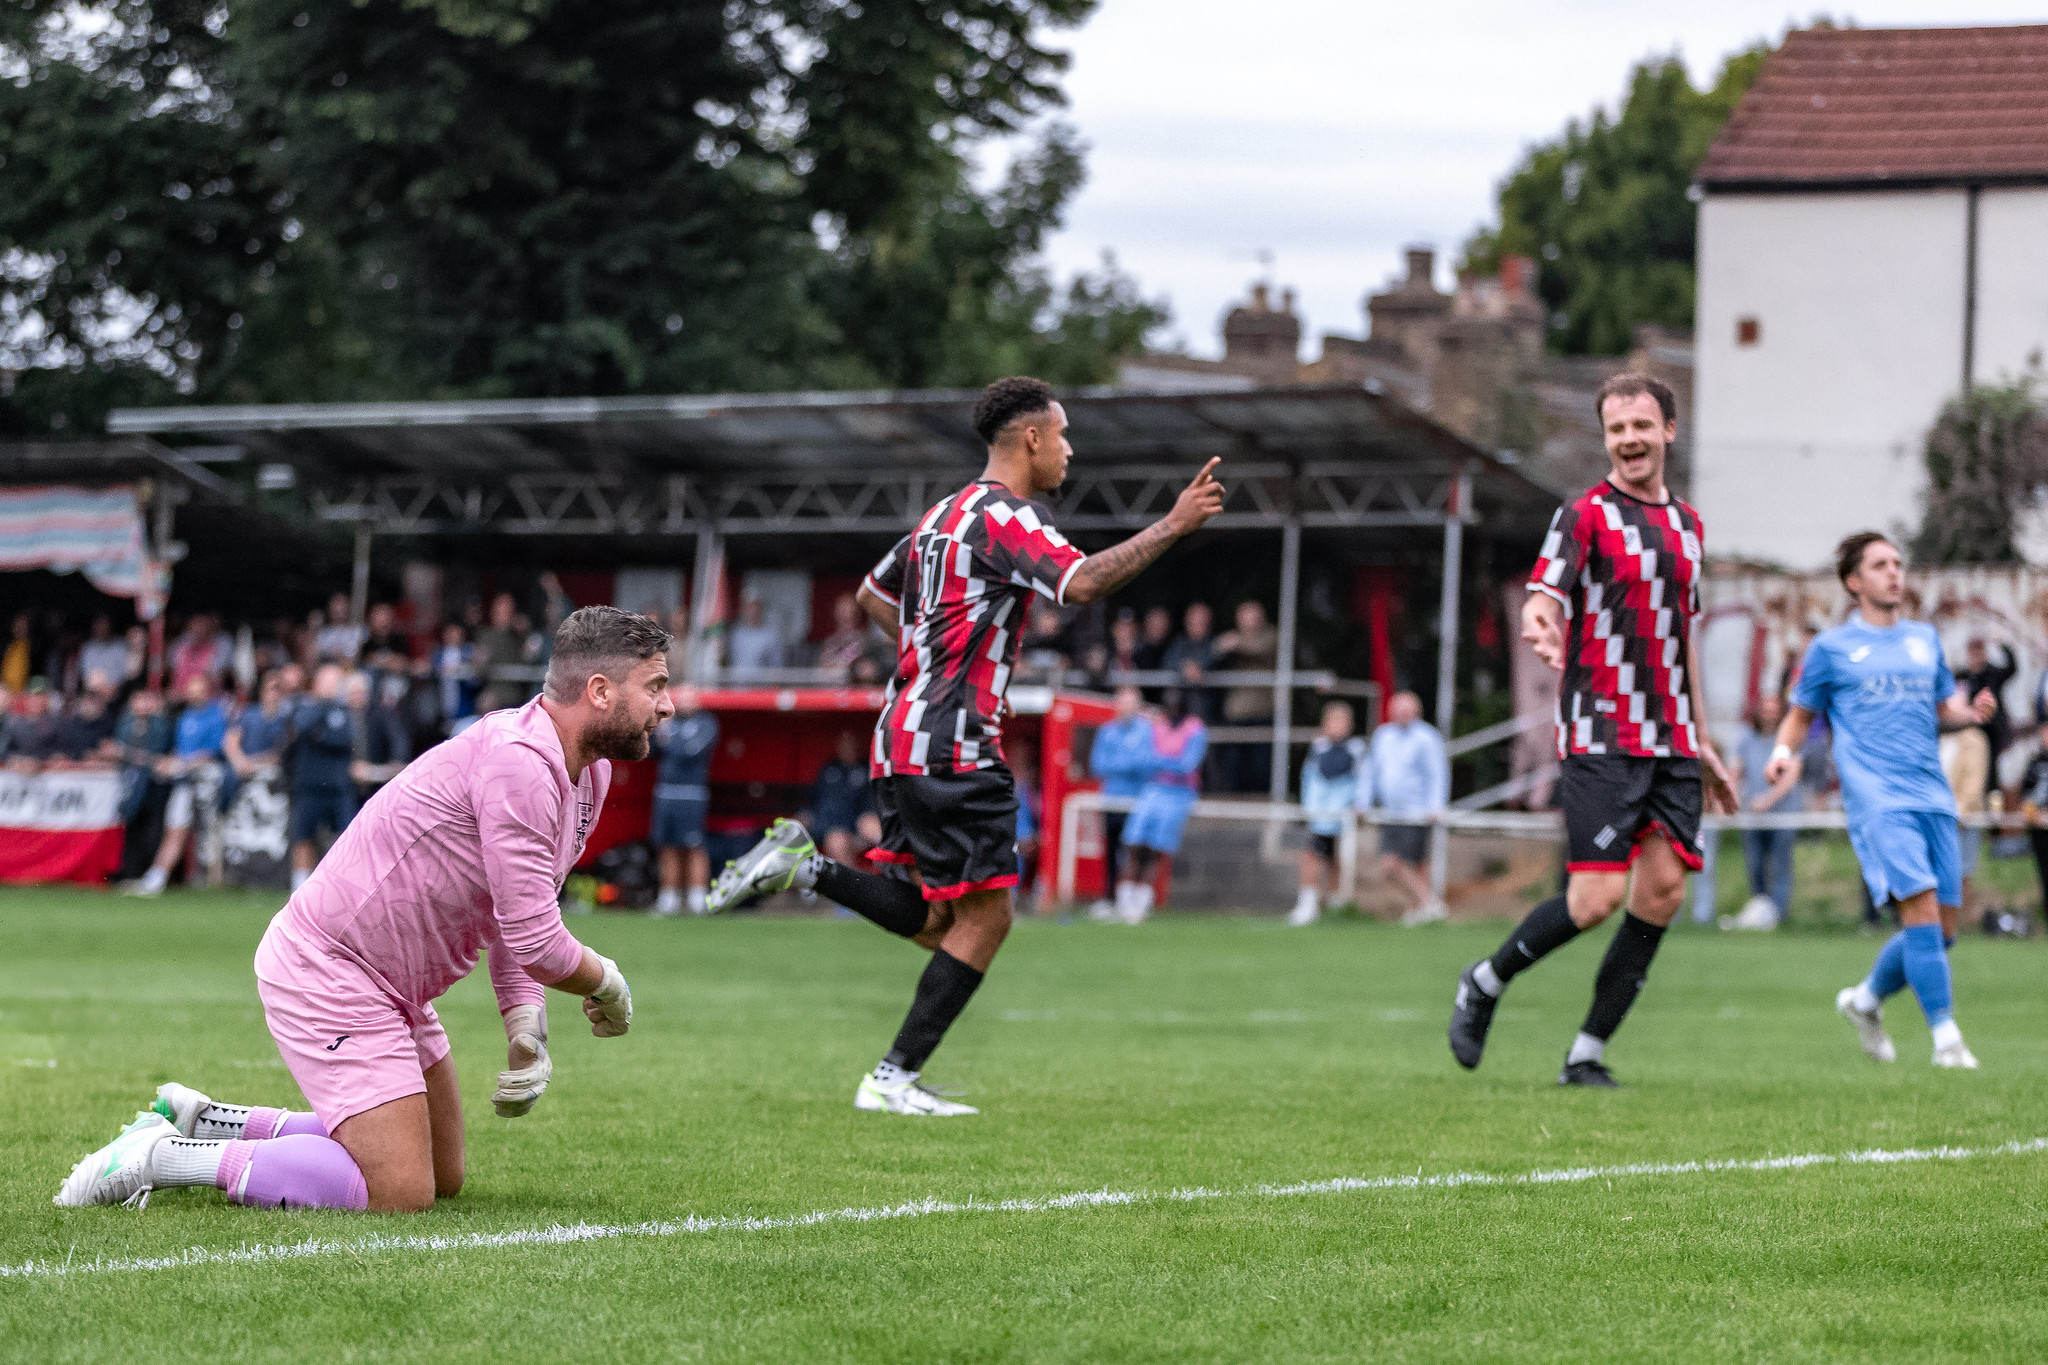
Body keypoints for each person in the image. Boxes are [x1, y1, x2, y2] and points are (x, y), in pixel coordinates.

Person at [705, 376, 1224, 1114]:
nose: (1070, 449)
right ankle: (890, 1077)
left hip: (902, 733)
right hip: (954, 744)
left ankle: (806, 866)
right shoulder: (1010, 517)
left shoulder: (940, 516)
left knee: (947, 918)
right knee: (989, 918)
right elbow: (1079, 583)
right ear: (1032, 439)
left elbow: (871, 598)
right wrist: (1173, 524)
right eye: (1064, 435)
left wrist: (934, 661)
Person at [54, 607, 660, 1212]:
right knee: (399, 1189)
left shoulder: (587, 771)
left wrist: (525, 1026)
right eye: (654, 686)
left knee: (440, 1173)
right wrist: (608, 983)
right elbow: (536, 940)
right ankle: (159, 1158)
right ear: (600, 692)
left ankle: (212, 1121)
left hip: (392, 986)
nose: (668, 705)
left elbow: (521, 909)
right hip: (333, 968)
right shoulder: (522, 762)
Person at [1447, 372, 1735, 1088]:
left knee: (1662, 892)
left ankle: (1586, 1052)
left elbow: (1684, 636)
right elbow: (1546, 592)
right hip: (1603, 729)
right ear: (1607, 438)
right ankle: (1483, 979)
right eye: (1617, 429)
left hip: (1671, 738)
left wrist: (1703, 740)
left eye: (1642, 426)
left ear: (1669, 430)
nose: (1630, 440)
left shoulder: (1689, 526)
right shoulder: (1585, 515)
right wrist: (1540, 619)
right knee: (1595, 899)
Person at [1768, 532, 1995, 1070]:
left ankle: (1865, 1000)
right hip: (1877, 797)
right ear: (1854, 582)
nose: (1895, 573)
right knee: (1916, 904)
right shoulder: (1830, 649)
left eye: (1897, 563)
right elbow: (1800, 714)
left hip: (1931, 794)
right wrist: (1782, 752)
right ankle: (1947, 1040)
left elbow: (1942, 708)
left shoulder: (1924, 639)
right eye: (1880, 565)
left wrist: (1970, 714)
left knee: (1941, 931)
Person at [123, 675, 232, 896]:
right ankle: (157, 879)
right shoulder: (186, 717)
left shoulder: (216, 716)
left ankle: (215, 882)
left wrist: (182, 764)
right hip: (184, 780)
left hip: (208, 780)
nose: (193, 695)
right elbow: (180, 750)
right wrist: (172, 763)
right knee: (175, 828)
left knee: (211, 832)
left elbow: (212, 753)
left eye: (198, 690)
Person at [1117, 688, 1208, 925]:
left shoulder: (1195, 729)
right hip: (1153, 789)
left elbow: (1188, 765)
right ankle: (1126, 897)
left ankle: (1143, 900)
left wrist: (1161, 761)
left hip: (1179, 793)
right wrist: (1169, 762)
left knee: (1157, 846)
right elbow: (1145, 760)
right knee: (1135, 841)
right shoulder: (1156, 726)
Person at [1366, 690, 1452, 927]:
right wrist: (1363, 801)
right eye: (1399, 710)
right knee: (1390, 865)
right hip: (1390, 812)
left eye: (1407, 710)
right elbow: (1371, 771)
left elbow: (1437, 774)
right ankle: (1425, 904)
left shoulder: (1427, 737)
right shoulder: (1382, 735)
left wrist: (1436, 805)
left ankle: (1424, 907)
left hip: (1417, 812)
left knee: (1413, 863)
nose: (1403, 714)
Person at [1723, 693, 1803, 930]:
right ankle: (1759, 911)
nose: (1769, 713)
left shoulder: (1788, 740)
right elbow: (1735, 769)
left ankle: (1778, 915)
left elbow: (1792, 774)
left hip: (1783, 816)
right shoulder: (1746, 739)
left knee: (1780, 865)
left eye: (1773, 708)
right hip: (1753, 818)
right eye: (1765, 708)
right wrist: (1731, 795)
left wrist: (1767, 800)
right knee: (1755, 864)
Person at [1292, 700, 1368, 926]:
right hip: (1320, 815)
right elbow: (1310, 778)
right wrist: (1309, 808)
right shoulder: (1318, 748)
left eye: (1342, 722)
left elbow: (1363, 779)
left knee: (1335, 859)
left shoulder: (1355, 749)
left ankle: (1335, 903)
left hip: (1342, 815)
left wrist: (1360, 804)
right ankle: (1308, 902)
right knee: (1311, 854)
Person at [286, 663, 358, 890]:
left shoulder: (345, 710)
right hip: (309, 785)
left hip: (338, 786)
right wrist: (321, 716)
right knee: (303, 836)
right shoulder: (305, 708)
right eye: (327, 682)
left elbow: (343, 738)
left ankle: (342, 888)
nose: (332, 687)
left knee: (345, 839)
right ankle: (299, 888)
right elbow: (300, 727)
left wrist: (320, 734)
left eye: (335, 682)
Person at [649, 683, 719, 916]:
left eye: (690, 698)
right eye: (681, 698)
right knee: (667, 846)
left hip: (692, 793)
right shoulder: (668, 723)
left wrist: (669, 738)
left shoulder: (707, 723)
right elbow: (651, 750)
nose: (684, 702)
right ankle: (668, 898)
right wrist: (664, 736)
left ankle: (698, 898)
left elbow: (692, 751)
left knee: (694, 845)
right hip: (665, 791)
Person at [1086, 685, 1153, 922]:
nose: (1126, 707)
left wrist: (1120, 764)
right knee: (1111, 849)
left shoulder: (1145, 731)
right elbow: (1098, 765)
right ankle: (1108, 897)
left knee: (1135, 850)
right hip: (1110, 799)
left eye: (1131, 702)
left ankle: (1133, 899)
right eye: (1122, 702)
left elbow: (1145, 763)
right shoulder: (1107, 731)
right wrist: (1126, 764)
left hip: (1136, 802)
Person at [1214, 600, 1279, 793]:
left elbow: (1259, 649)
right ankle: (1234, 798)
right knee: (1234, 763)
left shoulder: (1270, 636)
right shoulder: (1233, 638)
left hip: (1261, 711)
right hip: (1235, 712)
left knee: (1260, 763)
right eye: (1242, 618)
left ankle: (1260, 799)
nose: (1246, 622)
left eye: (1250, 617)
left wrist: (1235, 644)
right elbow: (1215, 649)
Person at [804, 728, 881, 871]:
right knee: (836, 840)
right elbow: (812, 804)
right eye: (844, 742)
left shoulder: (867, 770)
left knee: (873, 829)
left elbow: (872, 807)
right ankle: (853, 889)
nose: (848, 747)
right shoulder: (828, 770)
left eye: (851, 742)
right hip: (827, 828)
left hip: (857, 830)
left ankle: (898, 883)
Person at [724, 598, 785, 676]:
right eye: (749, 607)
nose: (753, 611)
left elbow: (776, 666)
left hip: (760, 686)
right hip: (736, 686)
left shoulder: (771, 635)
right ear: (743, 609)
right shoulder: (735, 634)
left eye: (756, 607)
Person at [77, 614, 132, 691]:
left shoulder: (120, 645)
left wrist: (110, 686)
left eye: (104, 624)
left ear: (110, 626)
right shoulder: (88, 647)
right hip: (93, 691)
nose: (101, 628)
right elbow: (86, 673)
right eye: (98, 624)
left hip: (117, 692)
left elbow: (125, 673)